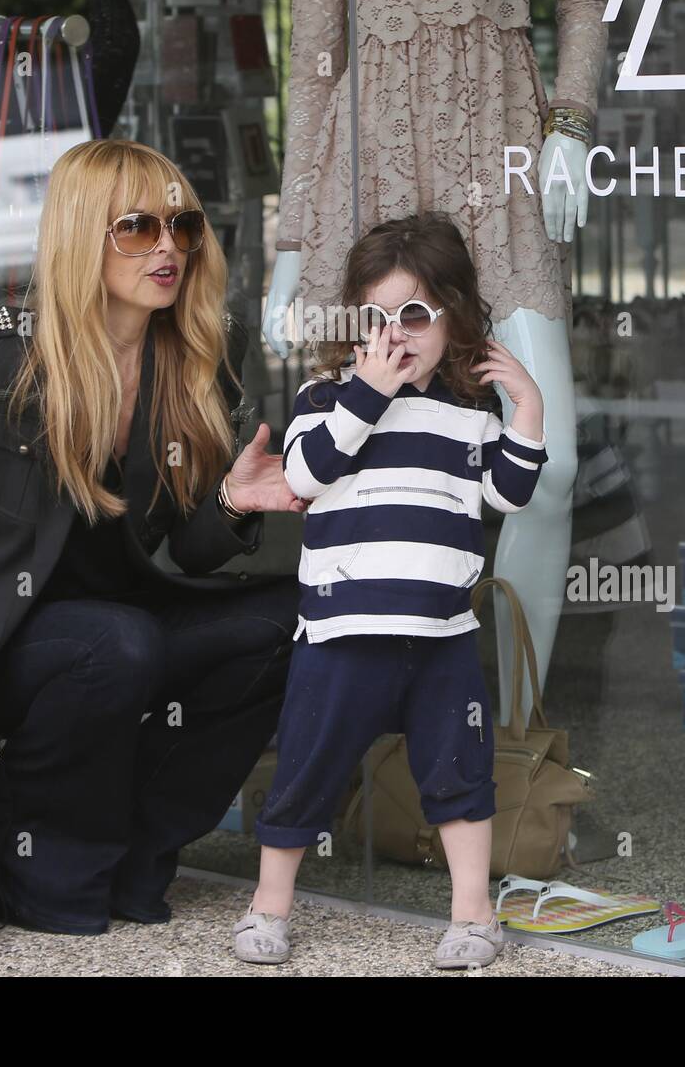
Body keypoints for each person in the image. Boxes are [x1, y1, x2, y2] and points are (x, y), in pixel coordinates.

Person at [0, 138, 304, 935]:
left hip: (128, 623)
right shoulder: (0, 354)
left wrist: (235, 505)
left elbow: (189, 546)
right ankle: (45, 868)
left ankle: (142, 850)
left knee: (287, 620)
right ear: (83, 234)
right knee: (116, 643)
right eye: (139, 227)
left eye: (183, 226)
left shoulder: (203, 357)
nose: (169, 248)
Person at [232, 212, 548, 969]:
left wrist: (527, 408)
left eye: (414, 314)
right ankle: (268, 907)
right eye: (377, 316)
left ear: (452, 316)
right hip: (340, 635)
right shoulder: (324, 400)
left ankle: (473, 916)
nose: (395, 333)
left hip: (440, 638)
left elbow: (510, 493)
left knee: (459, 774)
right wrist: (366, 394)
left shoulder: (465, 416)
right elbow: (306, 476)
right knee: (307, 769)